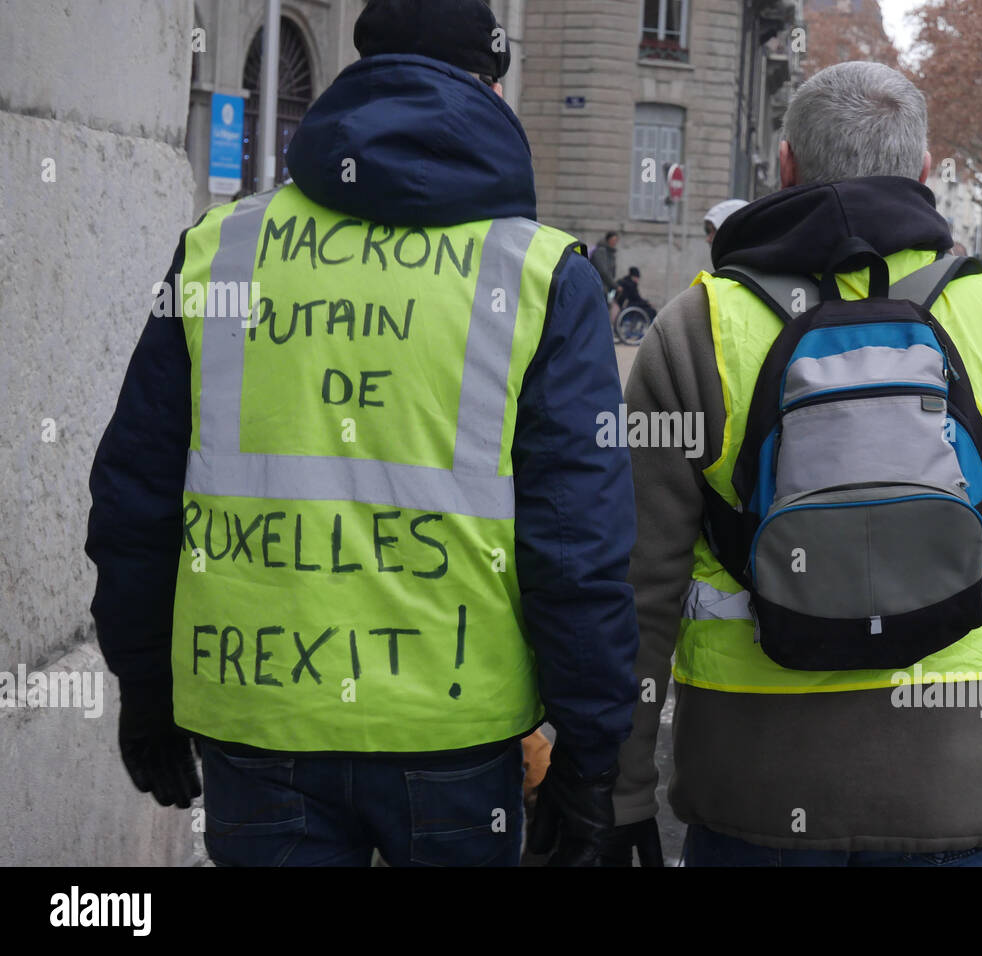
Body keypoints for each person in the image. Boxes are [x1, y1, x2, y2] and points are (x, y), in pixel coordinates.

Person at [84, 0, 638, 868]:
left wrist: (145, 688)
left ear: (357, 72)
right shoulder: (542, 276)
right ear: (491, 85)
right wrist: (592, 756)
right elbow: (578, 548)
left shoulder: (220, 249)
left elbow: (134, 498)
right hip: (455, 735)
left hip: (258, 719)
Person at [603, 61, 982, 867]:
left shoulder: (697, 327)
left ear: (785, 165)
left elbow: (637, 589)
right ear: (923, 170)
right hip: (961, 794)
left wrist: (623, 789)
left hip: (755, 797)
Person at [591, 230, 620, 322]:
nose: (615, 242)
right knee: (599, 312)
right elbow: (603, 271)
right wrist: (615, 285)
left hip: (605, 287)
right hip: (598, 286)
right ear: (608, 239)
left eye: (616, 240)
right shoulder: (601, 251)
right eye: (613, 240)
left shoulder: (610, 253)